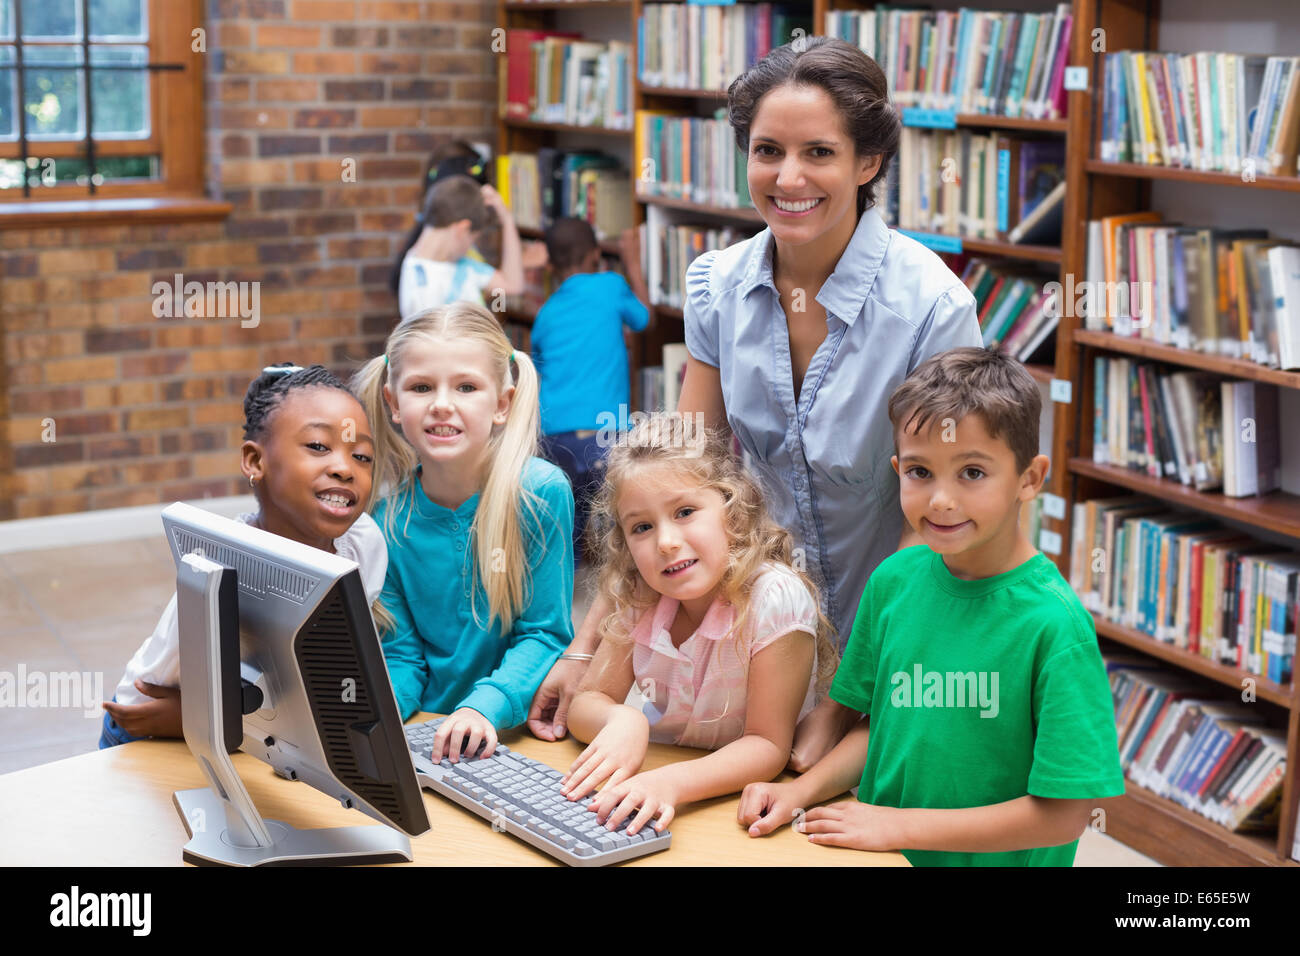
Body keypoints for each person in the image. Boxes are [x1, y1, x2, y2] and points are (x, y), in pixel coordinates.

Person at [528, 36, 982, 770]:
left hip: (888, 654)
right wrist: (586, 650)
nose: (789, 176)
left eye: (820, 154)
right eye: (768, 150)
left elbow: (933, 523)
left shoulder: (933, 307)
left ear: (868, 164)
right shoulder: (718, 287)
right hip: (749, 648)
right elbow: (671, 477)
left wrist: (839, 701)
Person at [738, 348, 1125, 865]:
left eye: (971, 473)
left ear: (1030, 479)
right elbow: (880, 727)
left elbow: (1066, 814)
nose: (941, 499)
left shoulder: (1054, 626)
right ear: (897, 469)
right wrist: (799, 793)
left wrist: (900, 825)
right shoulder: (893, 582)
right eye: (920, 472)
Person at [559, 413, 837, 835]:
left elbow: (768, 746)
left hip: (750, 809)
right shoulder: (640, 592)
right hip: (663, 793)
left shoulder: (774, 598)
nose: (666, 542)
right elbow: (587, 702)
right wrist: (622, 720)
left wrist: (669, 783)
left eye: (685, 511)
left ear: (731, 508)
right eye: (642, 527)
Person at [100, 364, 385, 747]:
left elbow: (315, 671)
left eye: (362, 456)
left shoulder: (362, 543)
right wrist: (199, 717)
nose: (344, 468)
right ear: (255, 461)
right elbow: (153, 698)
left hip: (250, 717)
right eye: (318, 446)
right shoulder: (219, 569)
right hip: (154, 722)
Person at [353, 303, 575, 764]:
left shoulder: (539, 494)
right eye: (420, 387)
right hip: (427, 735)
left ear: (502, 404)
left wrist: (482, 709)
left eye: (466, 387)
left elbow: (545, 634)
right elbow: (401, 655)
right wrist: (375, 717)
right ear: (394, 404)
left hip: (517, 734)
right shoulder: (382, 522)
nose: (441, 404)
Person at [531, 217, 651, 561]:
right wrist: (633, 264)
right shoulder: (611, 286)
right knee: (624, 525)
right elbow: (645, 319)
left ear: (551, 267)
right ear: (596, 256)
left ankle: (562, 597)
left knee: (566, 526)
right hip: (606, 435)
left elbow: (539, 372)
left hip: (555, 439)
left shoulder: (545, 315)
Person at [392, 174, 527, 322]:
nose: (470, 246)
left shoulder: (458, 263)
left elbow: (512, 285)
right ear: (462, 229)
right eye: (473, 238)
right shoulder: (421, 285)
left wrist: (506, 218)